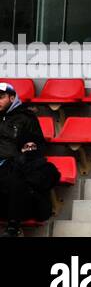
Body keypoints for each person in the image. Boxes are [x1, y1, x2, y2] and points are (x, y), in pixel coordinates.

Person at [0, 83, 55, 237]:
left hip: (15, 163)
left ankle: (13, 227)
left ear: (12, 98)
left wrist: (21, 160)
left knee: (16, 180)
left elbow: (35, 147)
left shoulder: (26, 118)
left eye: (1, 97)